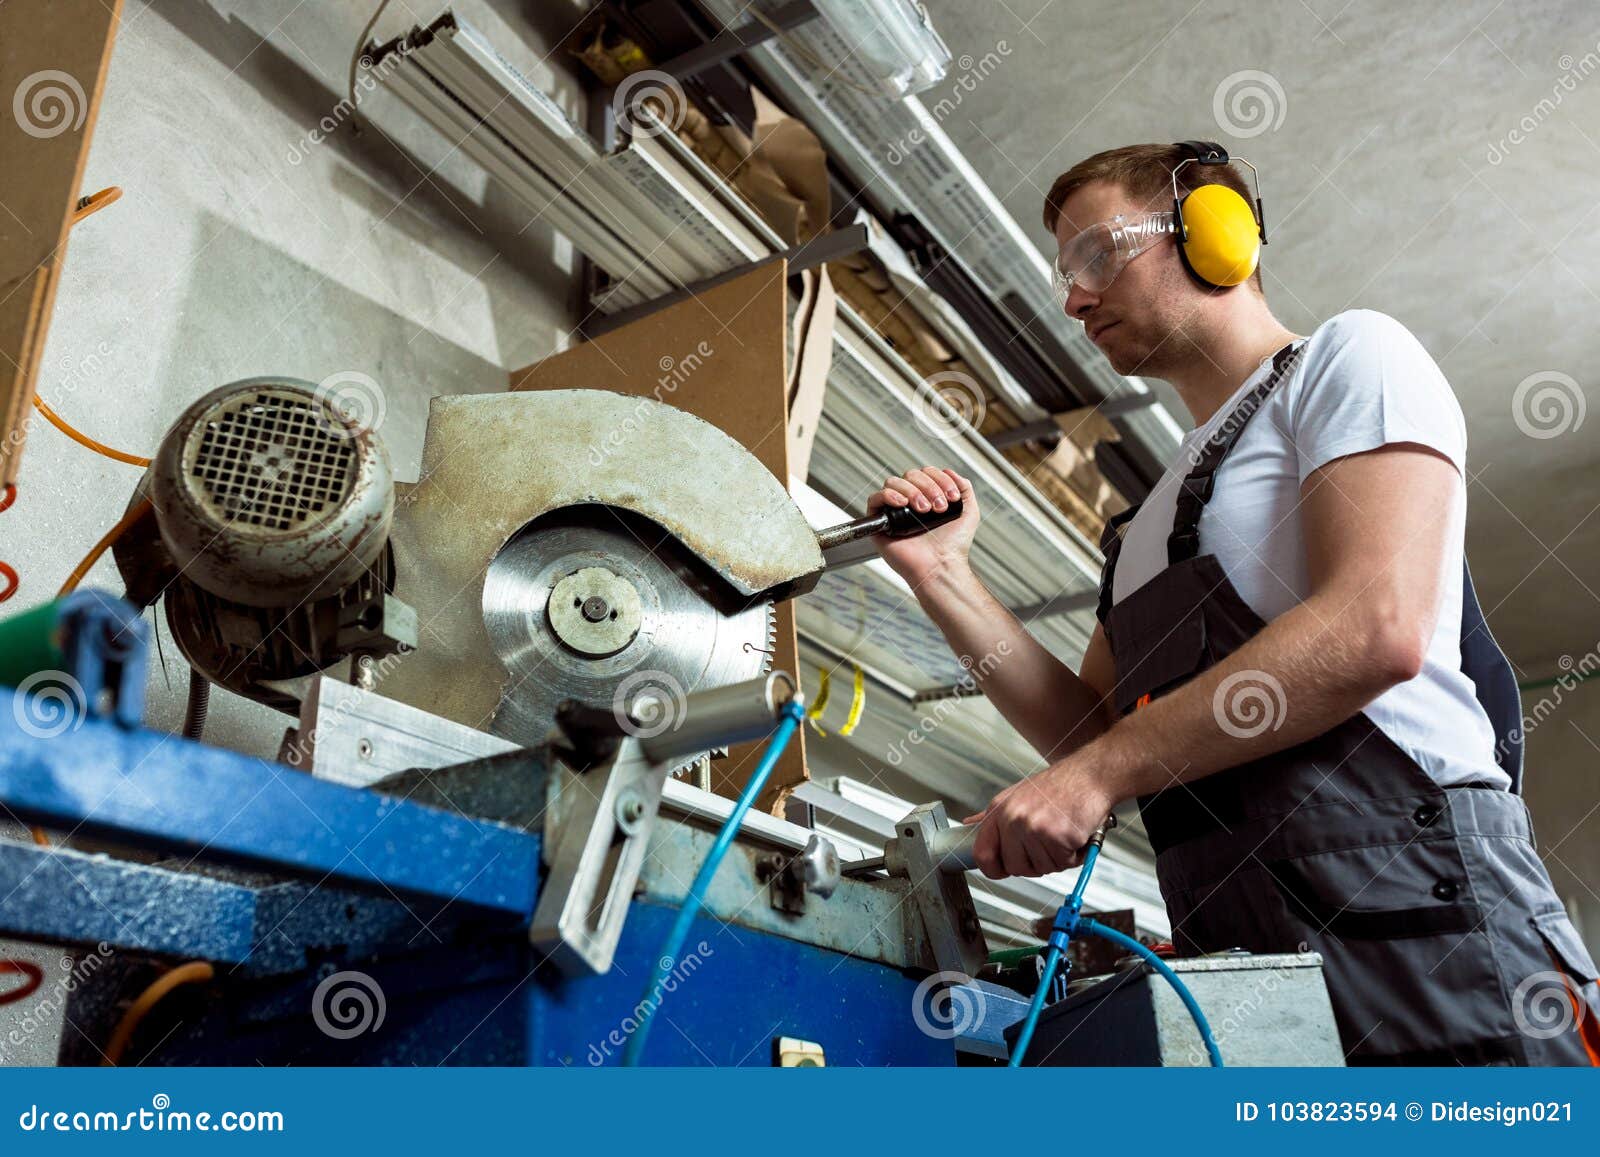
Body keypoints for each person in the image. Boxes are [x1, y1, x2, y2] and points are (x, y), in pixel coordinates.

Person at [870, 142, 1600, 1065]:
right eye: (1064, 273)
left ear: (1215, 233)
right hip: (1239, 952)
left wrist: (1098, 775)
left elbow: (1374, 626)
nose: (1075, 299)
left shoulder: (1351, 358)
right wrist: (943, 577)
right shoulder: (1144, 526)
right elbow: (1092, 736)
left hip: (1419, 912)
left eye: (1097, 255)